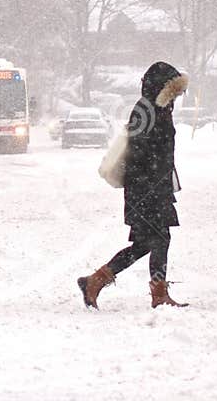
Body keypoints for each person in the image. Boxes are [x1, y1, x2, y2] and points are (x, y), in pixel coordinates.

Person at [77, 61, 189, 310]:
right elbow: (138, 152)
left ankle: (95, 281)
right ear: (162, 88)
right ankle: (157, 293)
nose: (178, 97)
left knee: (147, 243)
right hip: (145, 190)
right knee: (159, 239)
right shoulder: (146, 110)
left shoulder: (160, 109)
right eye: (174, 91)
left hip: (155, 189)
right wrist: (150, 183)